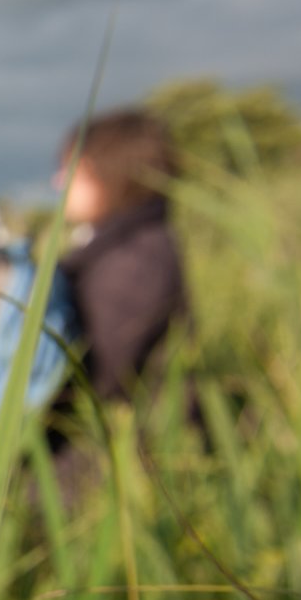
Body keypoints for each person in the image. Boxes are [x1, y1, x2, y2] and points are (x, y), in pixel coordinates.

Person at [56, 109, 186, 401]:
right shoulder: (125, 246)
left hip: (134, 440)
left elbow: (102, 380)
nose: (59, 183)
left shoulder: (137, 261)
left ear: (110, 173)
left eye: (71, 171)